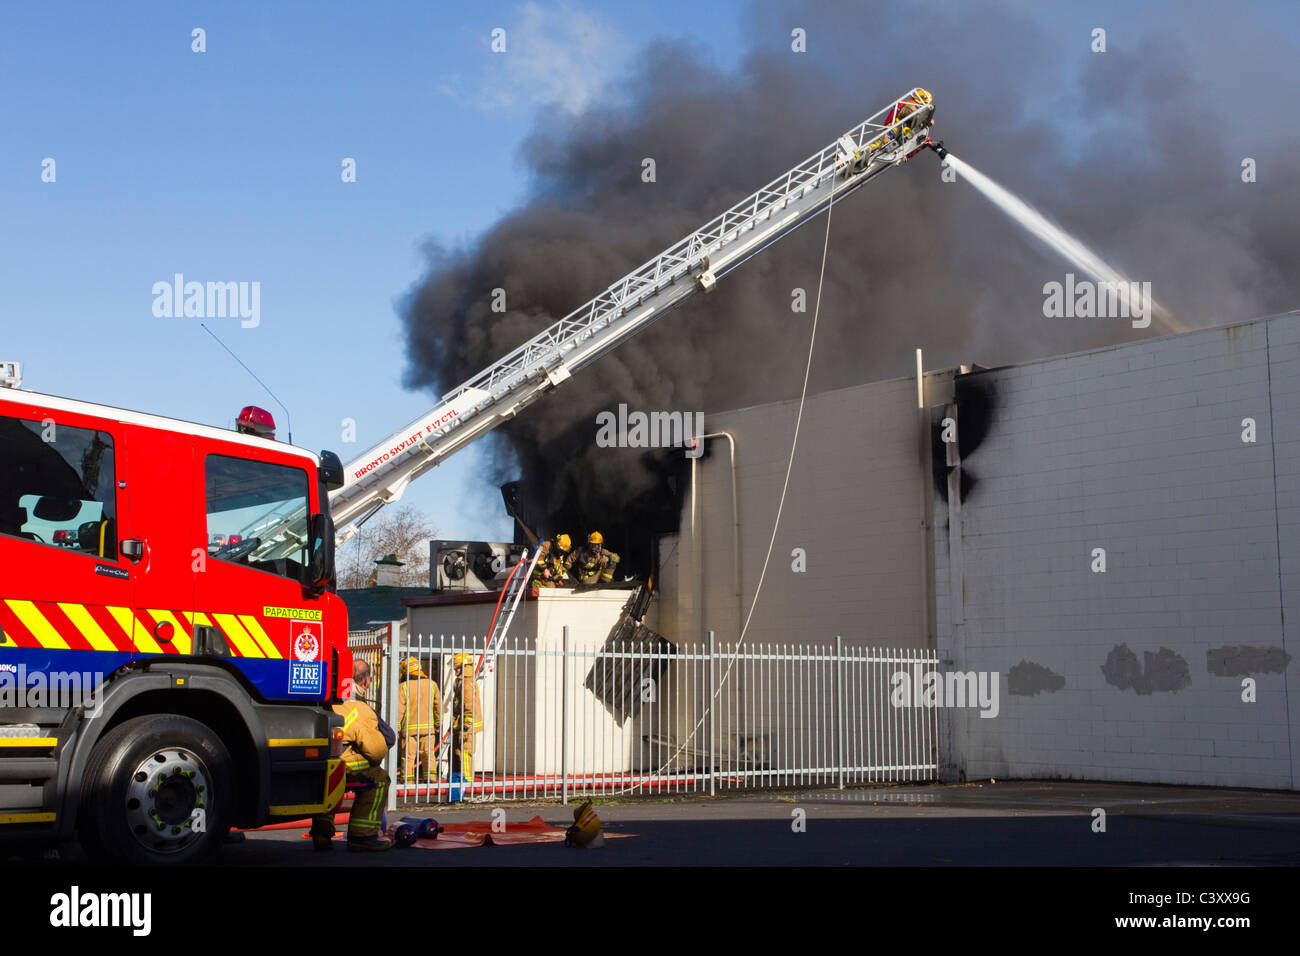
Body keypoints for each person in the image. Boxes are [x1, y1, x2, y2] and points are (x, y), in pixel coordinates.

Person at [310, 662, 392, 851]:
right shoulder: (360, 709)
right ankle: (362, 836)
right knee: (379, 777)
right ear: (366, 682)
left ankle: (322, 832)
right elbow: (377, 749)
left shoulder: (325, 702)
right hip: (340, 766)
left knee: (328, 784)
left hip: (318, 763)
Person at [397, 657, 440, 782]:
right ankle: (431, 780)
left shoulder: (403, 687)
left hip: (409, 732)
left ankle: (407, 782)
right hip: (428, 730)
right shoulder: (432, 684)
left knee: (408, 758)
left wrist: (397, 727)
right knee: (429, 756)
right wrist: (438, 724)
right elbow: (438, 706)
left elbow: (399, 710)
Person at [868, 87, 933, 153]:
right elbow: (916, 117)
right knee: (872, 148)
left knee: (875, 151)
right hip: (889, 135)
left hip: (893, 136)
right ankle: (858, 156)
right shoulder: (910, 107)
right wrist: (927, 120)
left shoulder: (912, 107)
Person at [450, 653, 483, 781]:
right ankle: (461, 783)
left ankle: (467, 783)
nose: (455, 670)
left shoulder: (466, 684)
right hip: (461, 726)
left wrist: (467, 725)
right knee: (459, 755)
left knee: (465, 755)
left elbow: (469, 705)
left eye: (457, 667)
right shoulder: (462, 682)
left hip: (466, 728)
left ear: (464, 667)